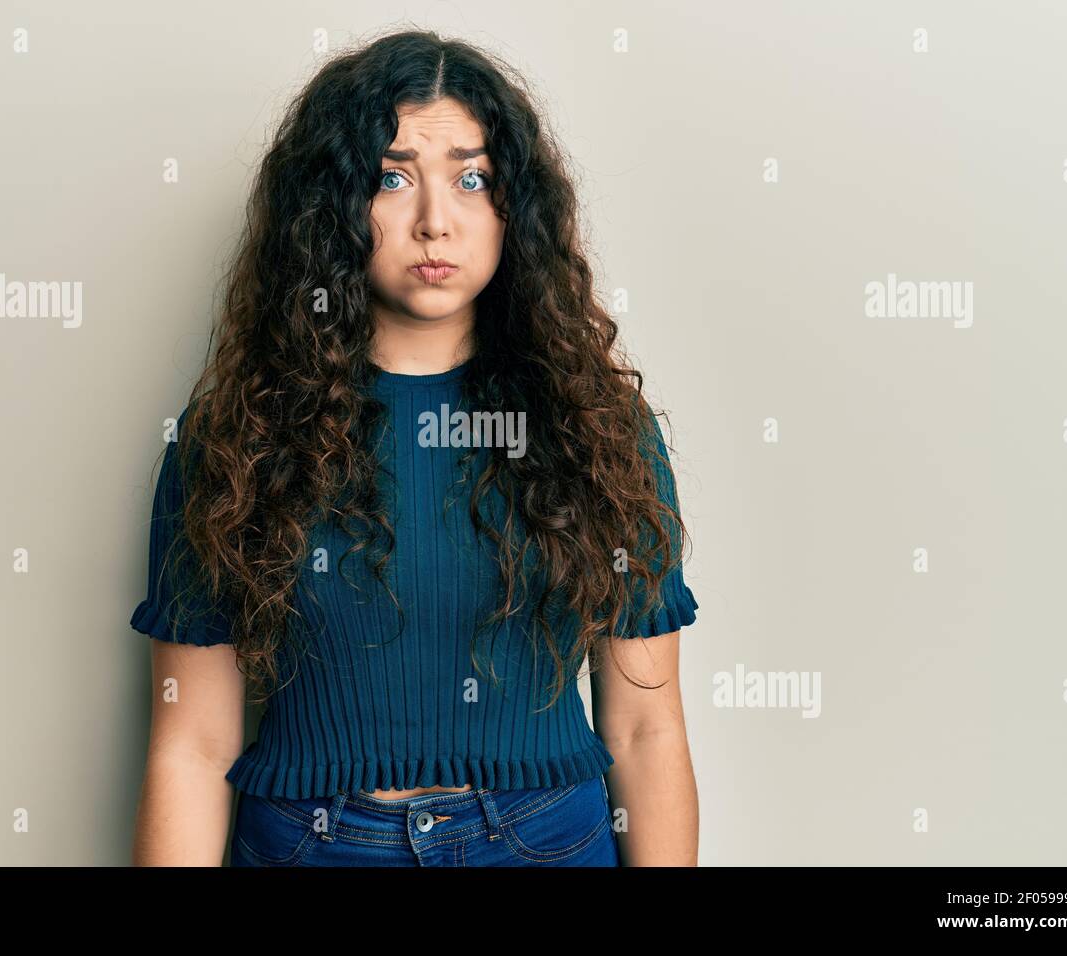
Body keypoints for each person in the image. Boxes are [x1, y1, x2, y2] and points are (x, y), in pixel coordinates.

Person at [129, 29, 700, 867]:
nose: (436, 222)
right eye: (392, 178)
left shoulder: (599, 430)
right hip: (312, 847)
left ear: (514, 208)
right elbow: (193, 746)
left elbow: (647, 728)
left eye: (473, 179)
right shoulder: (232, 440)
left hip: (544, 843)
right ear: (331, 207)